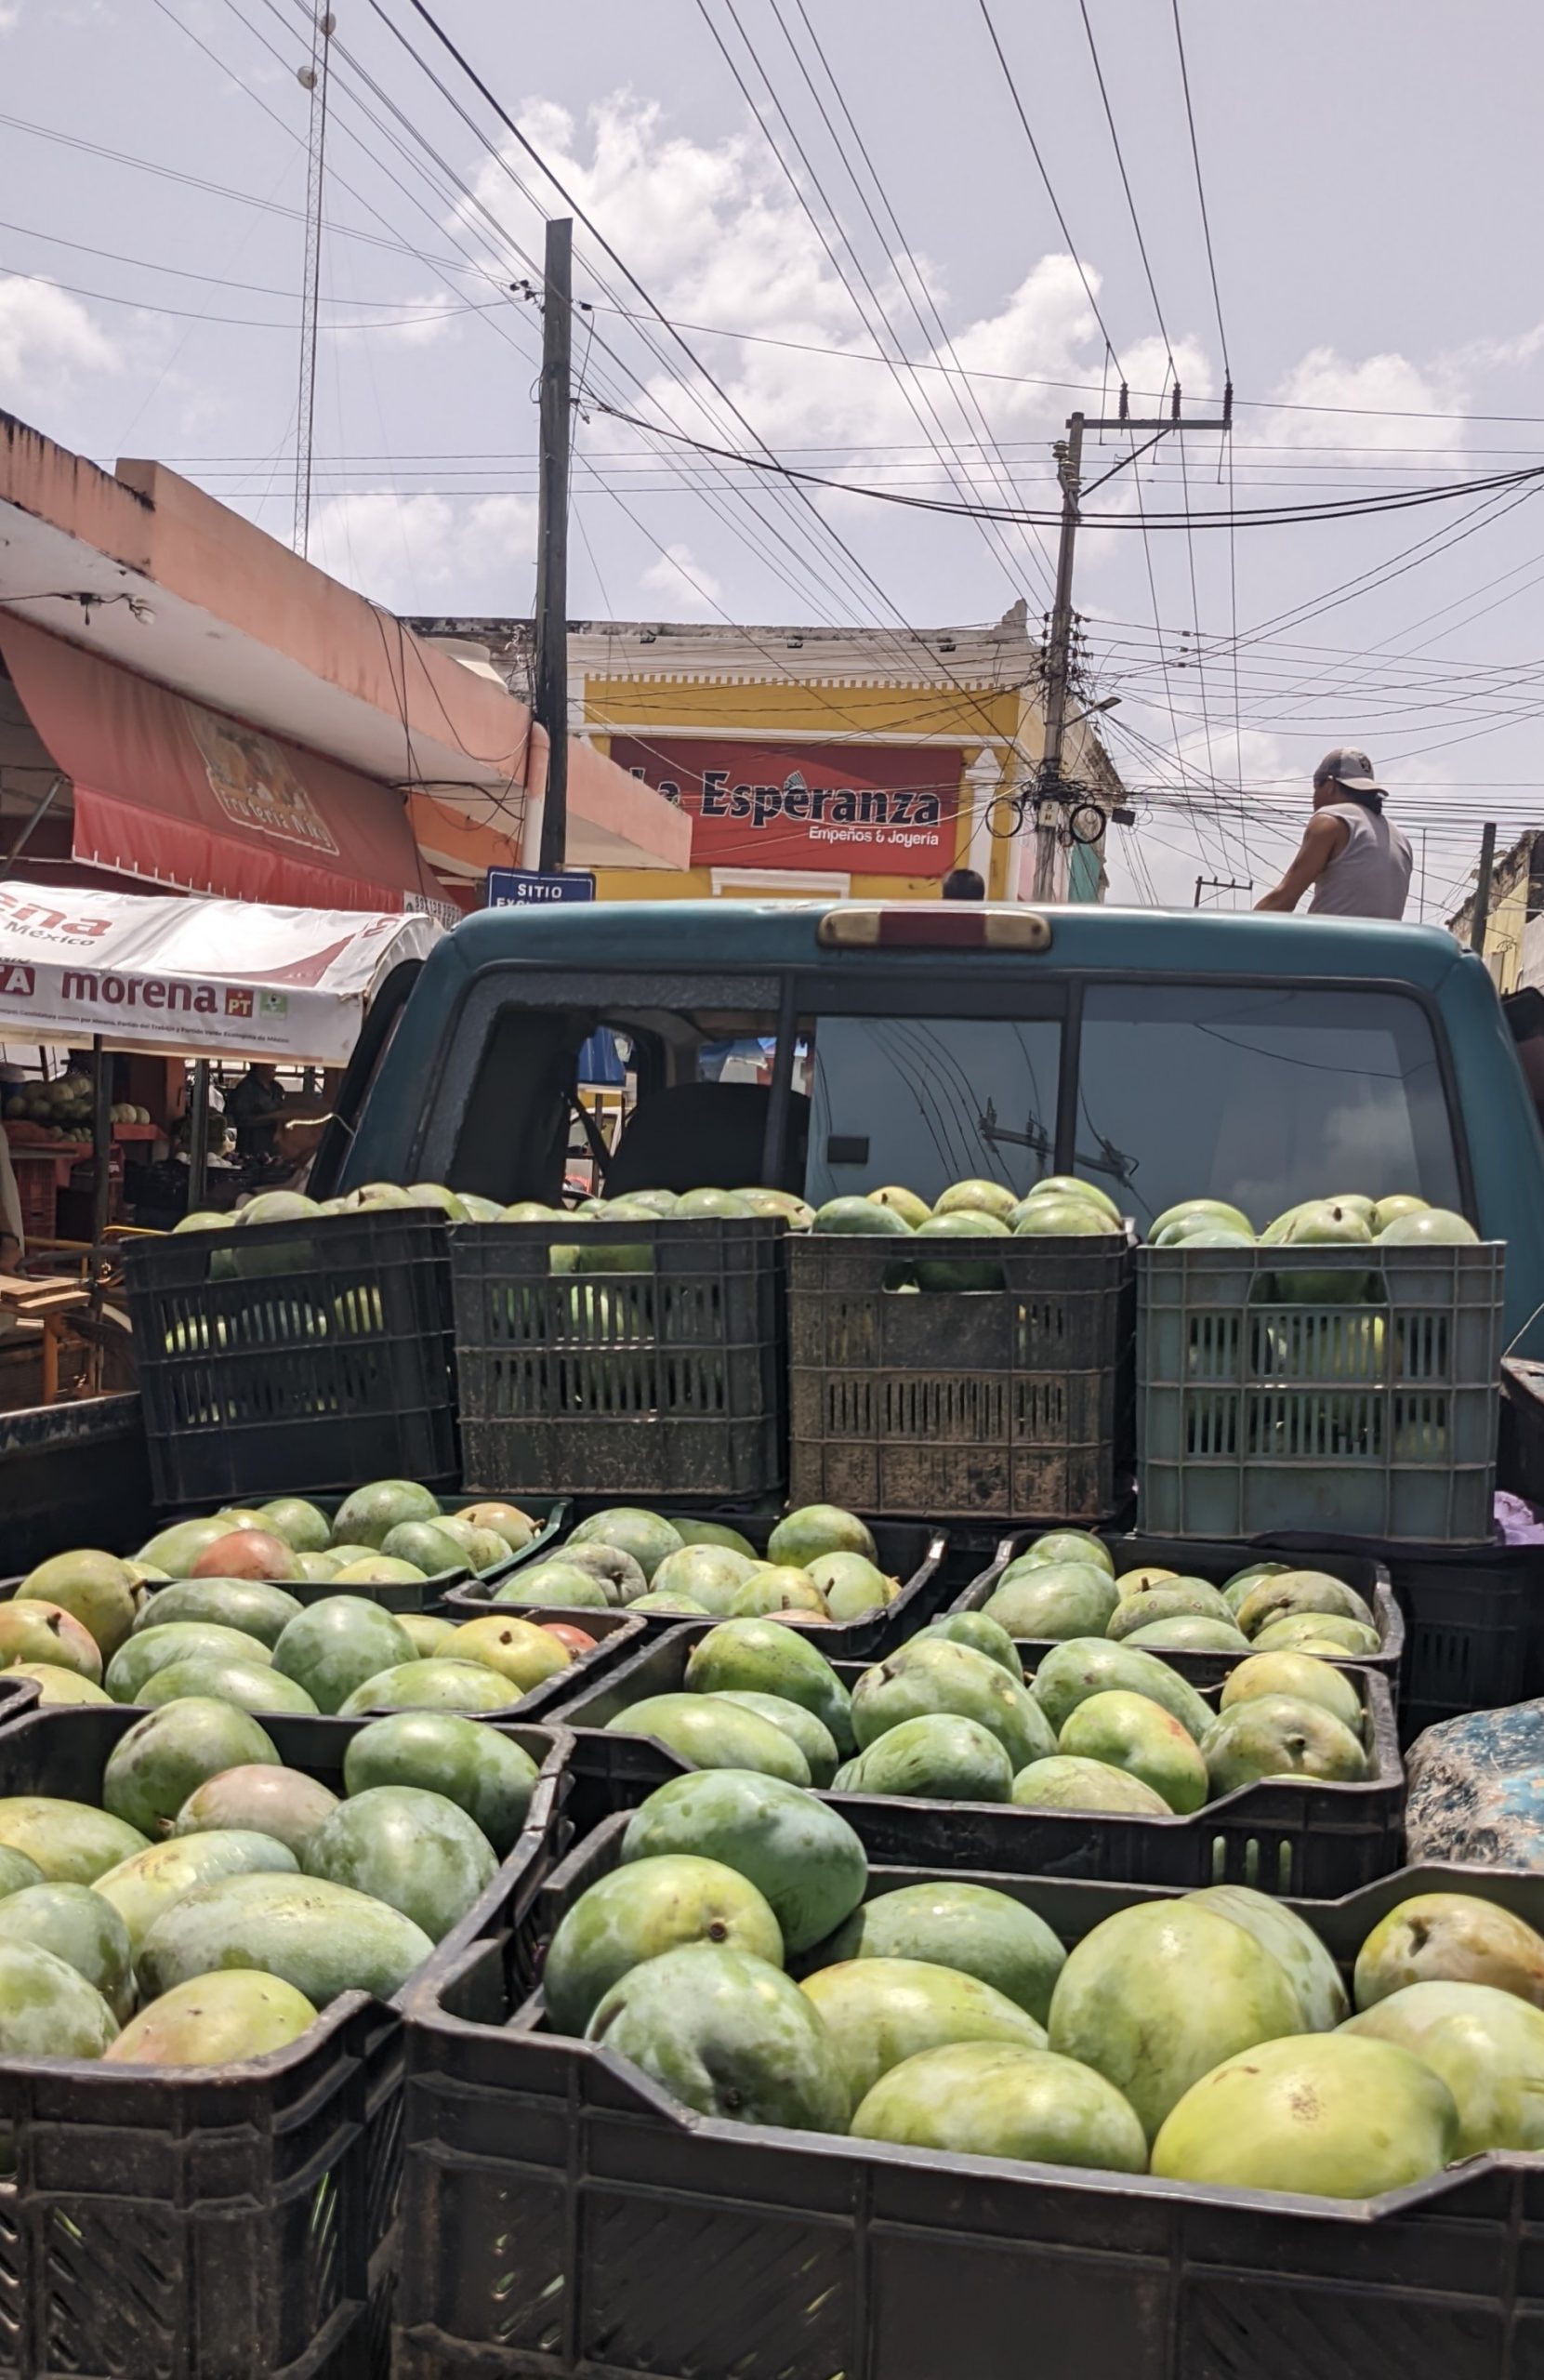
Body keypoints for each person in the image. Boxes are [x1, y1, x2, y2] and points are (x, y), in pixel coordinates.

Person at [1256, 747, 1413, 919]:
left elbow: (1284, 899)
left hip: (1330, 944)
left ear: (1330, 785)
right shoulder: (1401, 840)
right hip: (1388, 945)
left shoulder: (1331, 820)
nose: (1313, 798)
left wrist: (1236, 936)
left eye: (1316, 786)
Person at [224, 1062, 290, 1164]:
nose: (274, 1066)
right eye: (270, 1063)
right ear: (260, 1066)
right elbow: (241, 1120)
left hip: (274, 1148)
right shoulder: (245, 1088)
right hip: (251, 1149)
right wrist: (270, 1118)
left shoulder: (277, 1088)